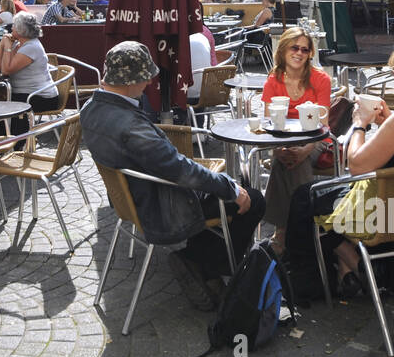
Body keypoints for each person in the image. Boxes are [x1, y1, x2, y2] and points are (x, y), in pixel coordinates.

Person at [82, 41, 264, 310]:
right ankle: (201, 262)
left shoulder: (90, 109)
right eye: (145, 78)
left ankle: (202, 256)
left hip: (131, 197)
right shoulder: (130, 125)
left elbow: (169, 163)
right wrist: (229, 188)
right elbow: (180, 171)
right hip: (161, 204)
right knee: (253, 198)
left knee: (233, 187)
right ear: (133, 79)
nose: (148, 83)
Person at [288, 40, 394, 297]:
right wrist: (389, 122)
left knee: (305, 197)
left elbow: (356, 165)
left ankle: (313, 282)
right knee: (320, 196)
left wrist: (359, 124)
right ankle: (352, 269)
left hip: (383, 216)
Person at [260, 27, 333, 253]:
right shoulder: (273, 81)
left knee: (291, 160)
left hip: (316, 139)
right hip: (282, 140)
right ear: (283, 50)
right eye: (294, 47)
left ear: (310, 53)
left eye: (305, 49)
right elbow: (268, 122)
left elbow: (322, 125)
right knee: (287, 158)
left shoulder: (320, 79)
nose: (299, 53)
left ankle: (281, 230)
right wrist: (278, 149)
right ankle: (304, 225)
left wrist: (303, 150)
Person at [0, 12, 59, 133]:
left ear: (21, 30)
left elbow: (6, 70)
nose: (11, 28)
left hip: (41, 97)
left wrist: (7, 46)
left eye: (14, 26)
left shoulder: (31, 47)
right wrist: (2, 44)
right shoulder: (18, 44)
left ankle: (14, 143)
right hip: (26, 93)